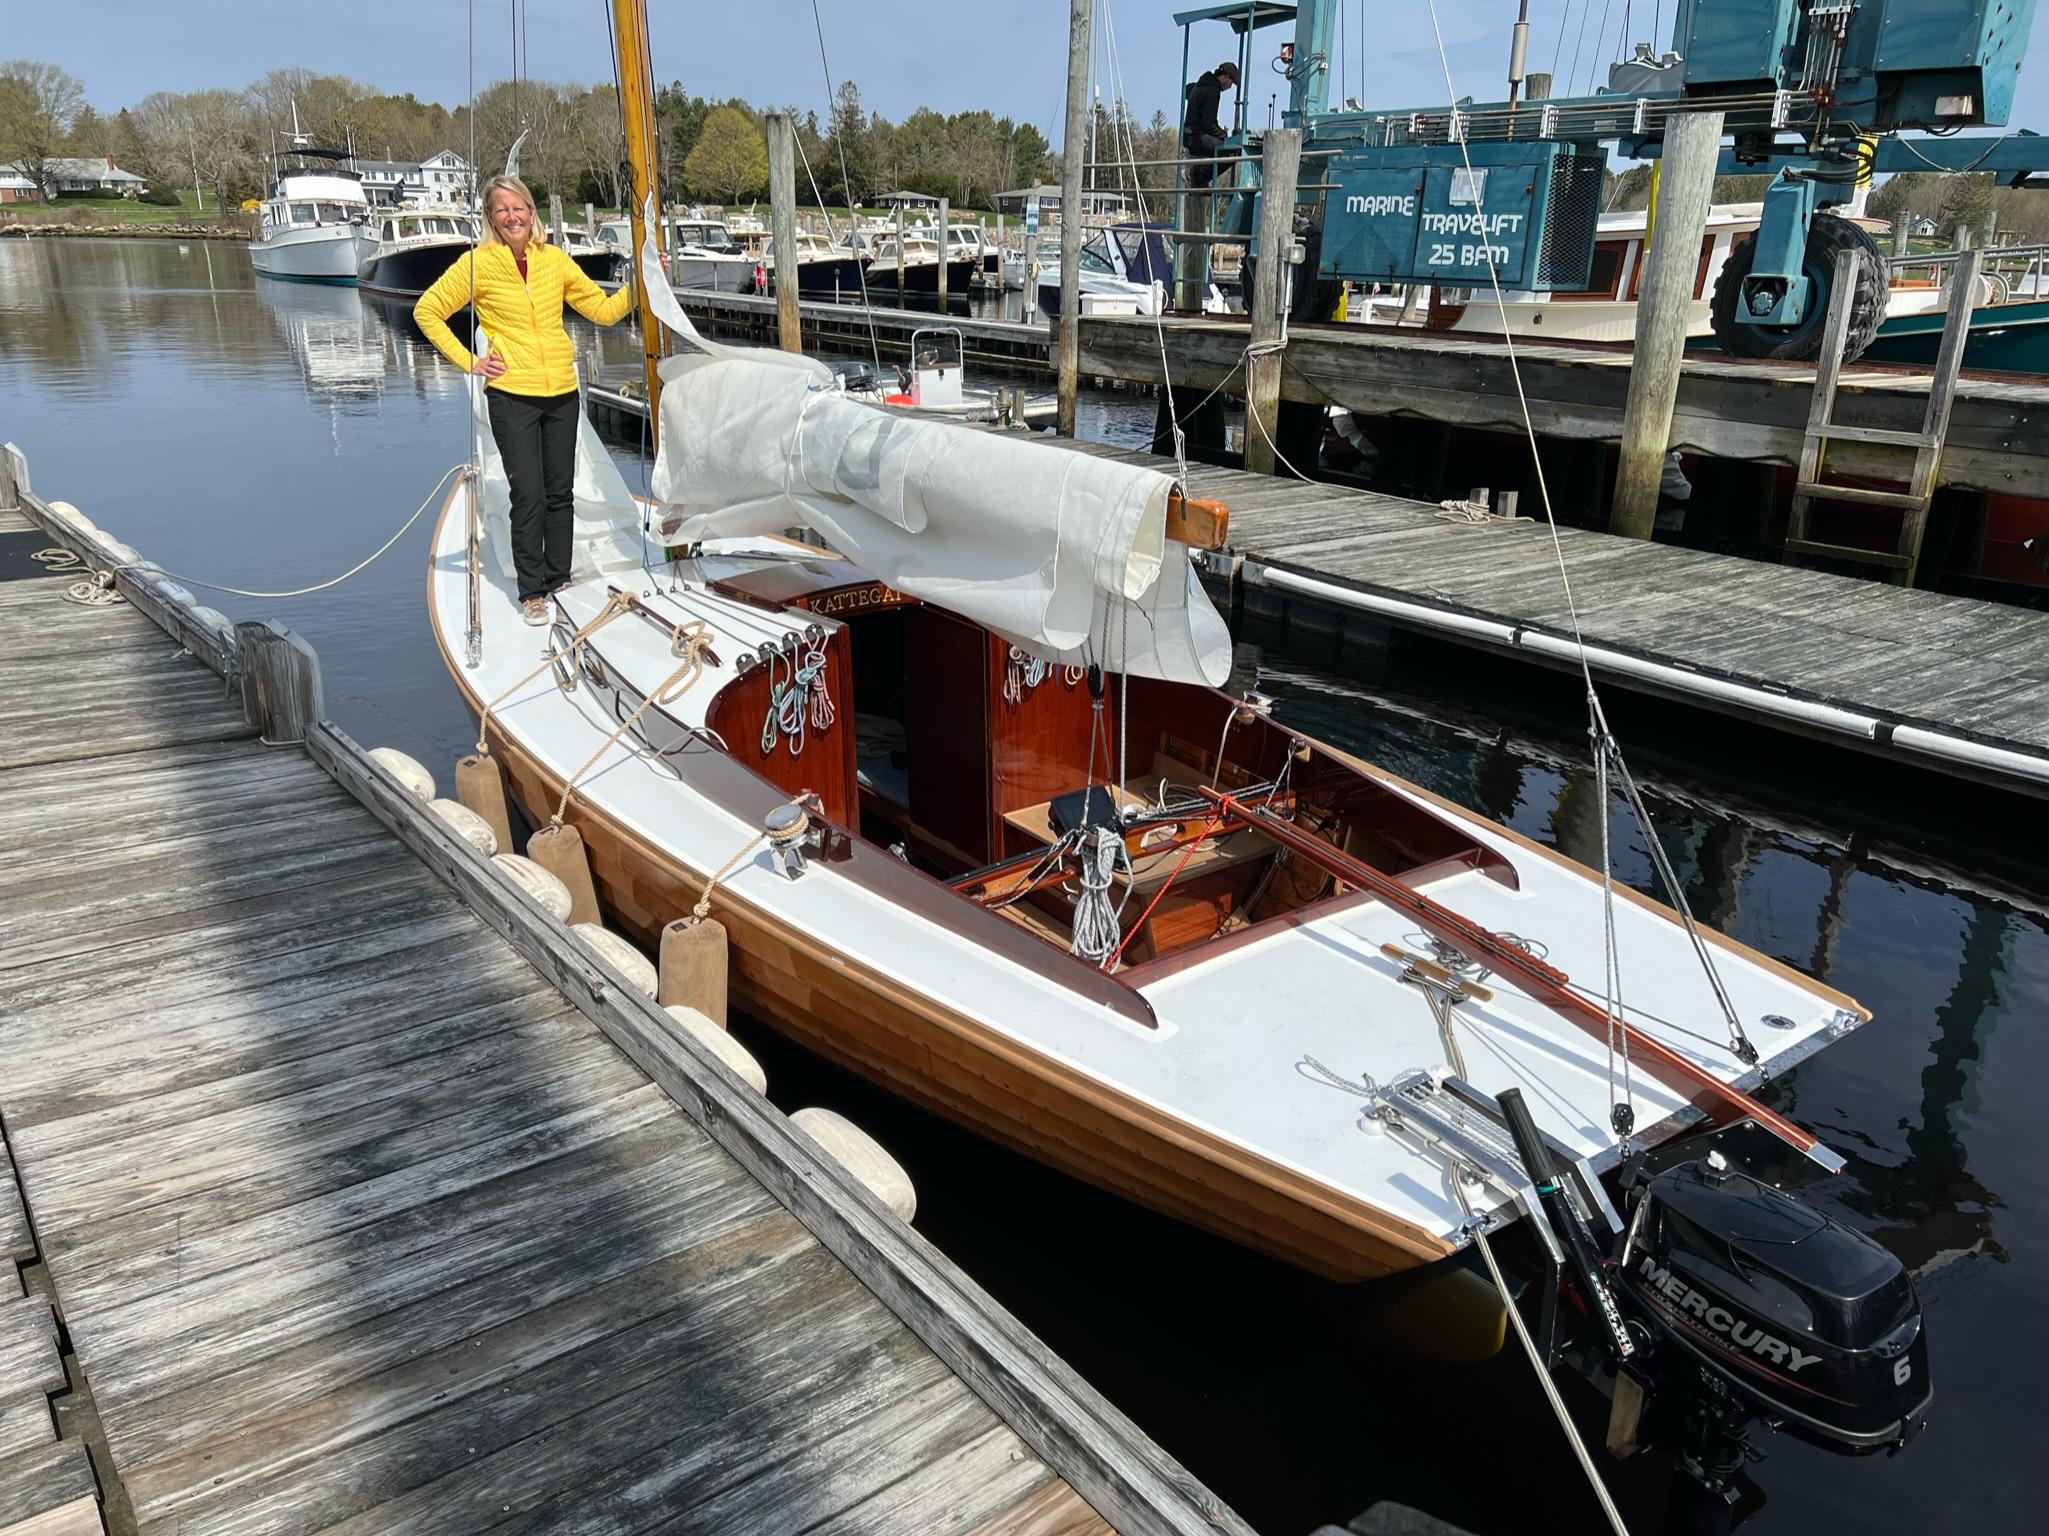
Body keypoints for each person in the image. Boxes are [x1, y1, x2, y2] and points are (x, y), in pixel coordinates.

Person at [414, 173, 636, 626]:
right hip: (512, 394)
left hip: (561, 392)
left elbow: (604, 310)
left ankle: (560, 578)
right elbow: (428, 311)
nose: (512, 216)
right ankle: (532, 592)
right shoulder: (477, 264)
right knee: (528, 493)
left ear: (532, 213)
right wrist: (469, 361)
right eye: (502, 209)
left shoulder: (554, 260)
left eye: (520, 208)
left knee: (561, 492)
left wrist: (645, 283)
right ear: (490, 217)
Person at [1183, 61, 1238, 190]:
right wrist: (1225, 137)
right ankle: (1198, 175)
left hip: (1190, 135)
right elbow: (1209, 123)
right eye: (1231, 82)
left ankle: (1200, 178)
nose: (1230, 86)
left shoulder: (1202, 84)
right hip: (1196, 137)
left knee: (1223, 147)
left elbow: (1187, 89)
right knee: (1231, 153)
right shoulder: (1213, 90)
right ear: (1225, 76)